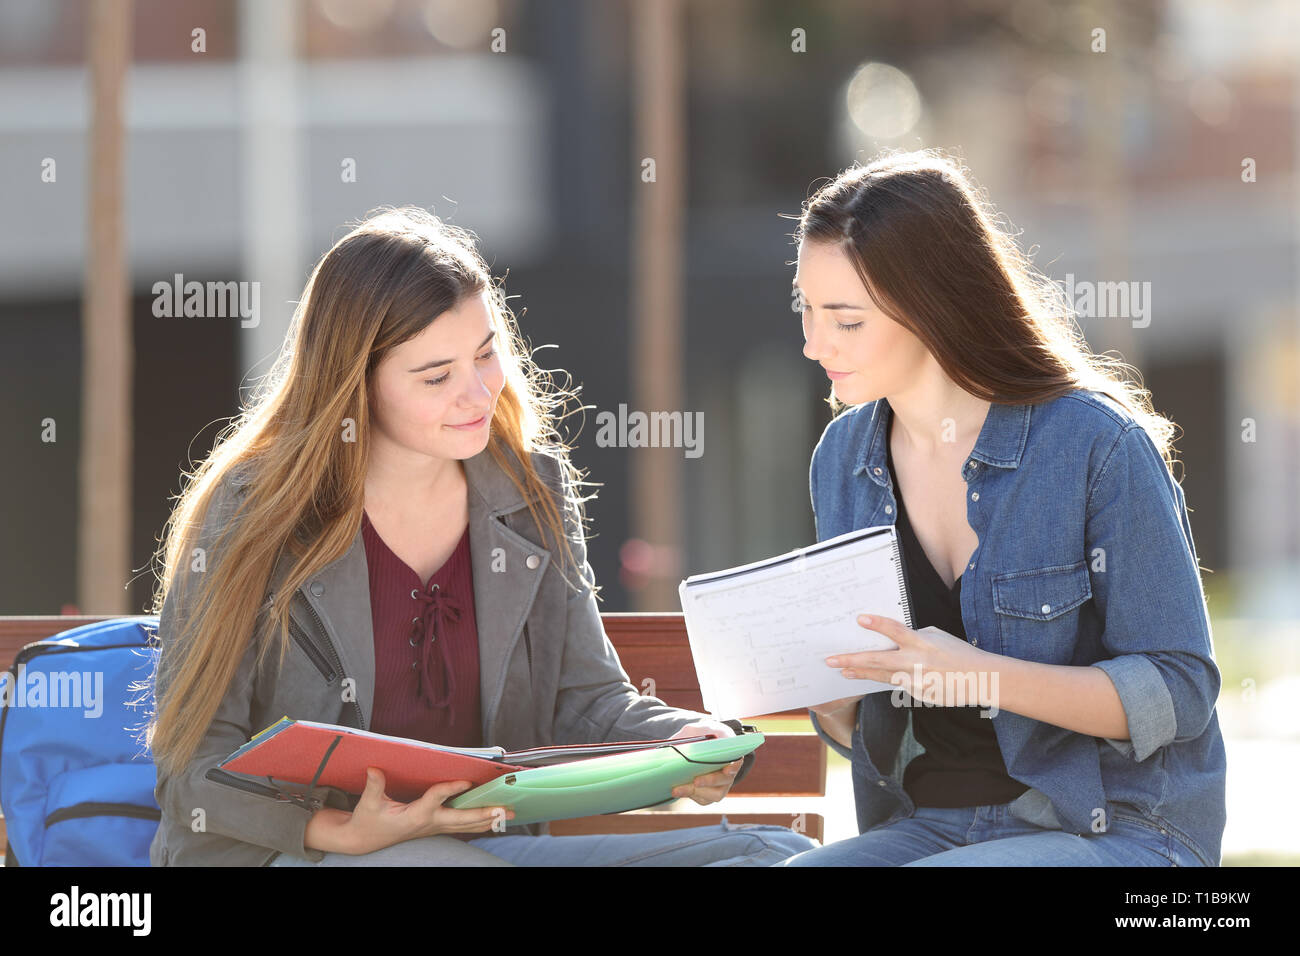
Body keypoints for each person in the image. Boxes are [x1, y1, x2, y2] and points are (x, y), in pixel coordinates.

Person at [145, 206, 817, 867]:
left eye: (486, 353)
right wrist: (345, 833)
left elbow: (586, 699)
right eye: (436, 376)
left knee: (771, 855)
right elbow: (192, 765)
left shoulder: (530, 493)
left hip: (485, 851)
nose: (478, 392)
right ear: (355, 384)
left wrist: (681, 741)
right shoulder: (253, 509)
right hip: (303, 855)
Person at [773, 149, 1226, 867]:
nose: (812, 344)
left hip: (1113, 830)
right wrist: (825, 694)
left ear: (932, 306)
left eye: (846, 321)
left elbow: (1179, 690)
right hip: (928, 826)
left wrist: (978, 675)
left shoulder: (1096, 445)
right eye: (806, 310)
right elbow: (864, 716)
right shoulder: (843, 459)